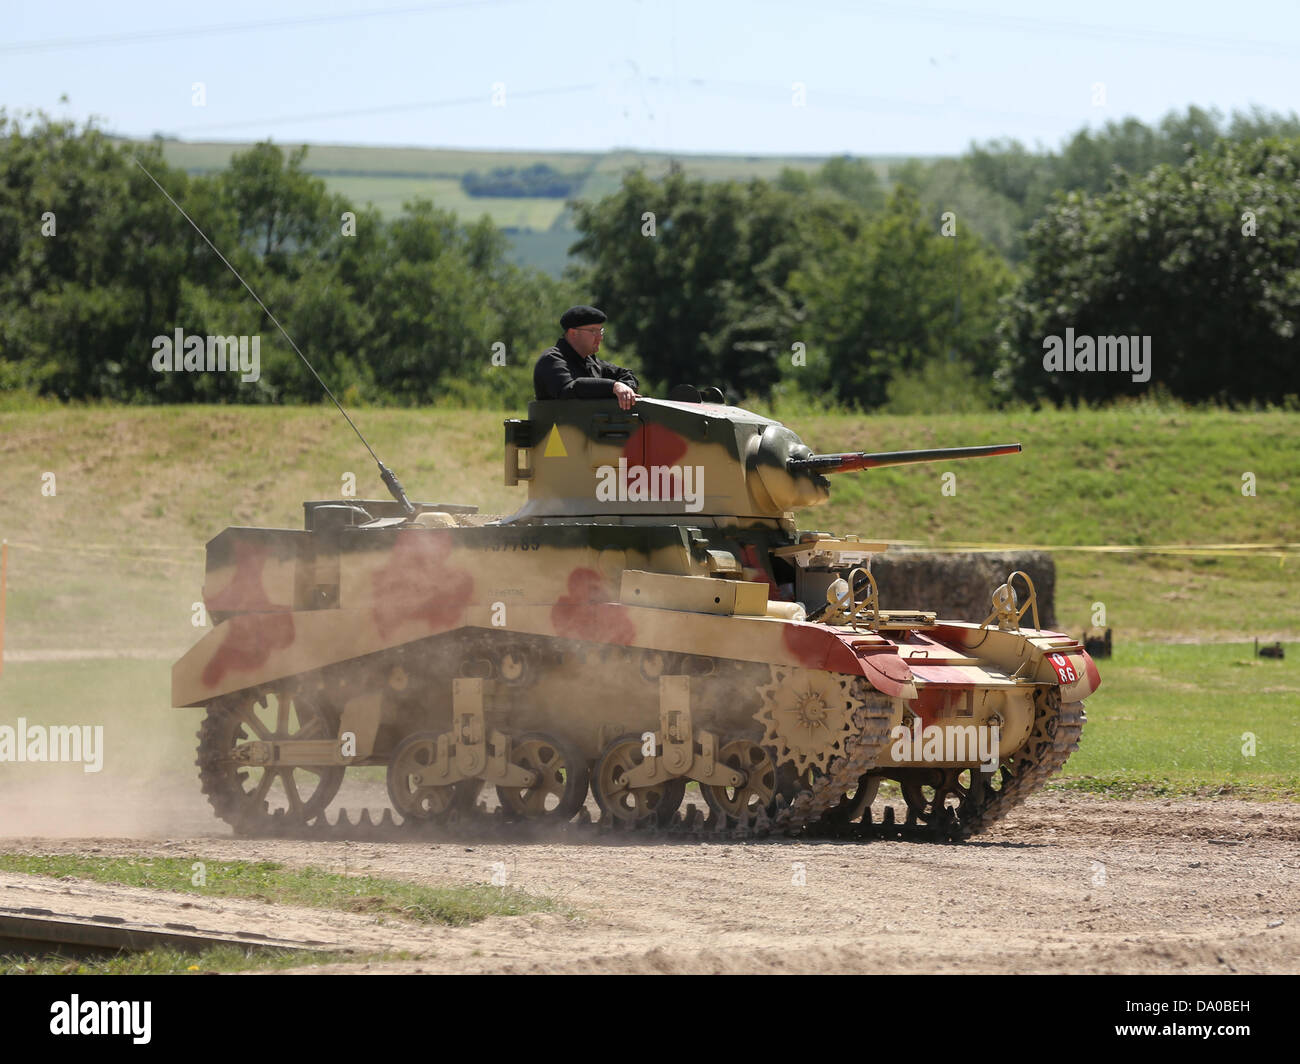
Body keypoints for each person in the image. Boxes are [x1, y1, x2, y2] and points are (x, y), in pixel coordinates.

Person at [534, 305, 640, 410]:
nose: (600, 337)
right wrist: (613, 387)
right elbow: (568, 389)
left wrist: (624, 389)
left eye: (601, 331)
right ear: (573, 333)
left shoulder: (591, 362)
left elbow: (627, 374)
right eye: (593, 331)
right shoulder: (551, 359)